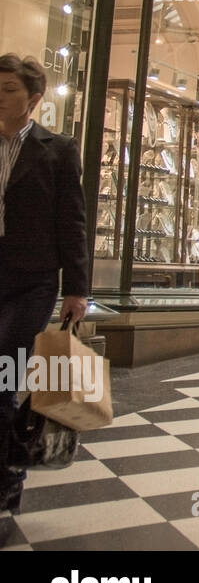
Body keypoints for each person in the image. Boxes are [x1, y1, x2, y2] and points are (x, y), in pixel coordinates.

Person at [0, 54, 88, 513]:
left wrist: (77, 289)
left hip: (32, 280)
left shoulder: (56, 149)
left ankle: (6, 477)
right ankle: (10, 463)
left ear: (33, 100)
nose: (0, 96)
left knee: (5, 372)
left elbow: (71, 221)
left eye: (9, 89)